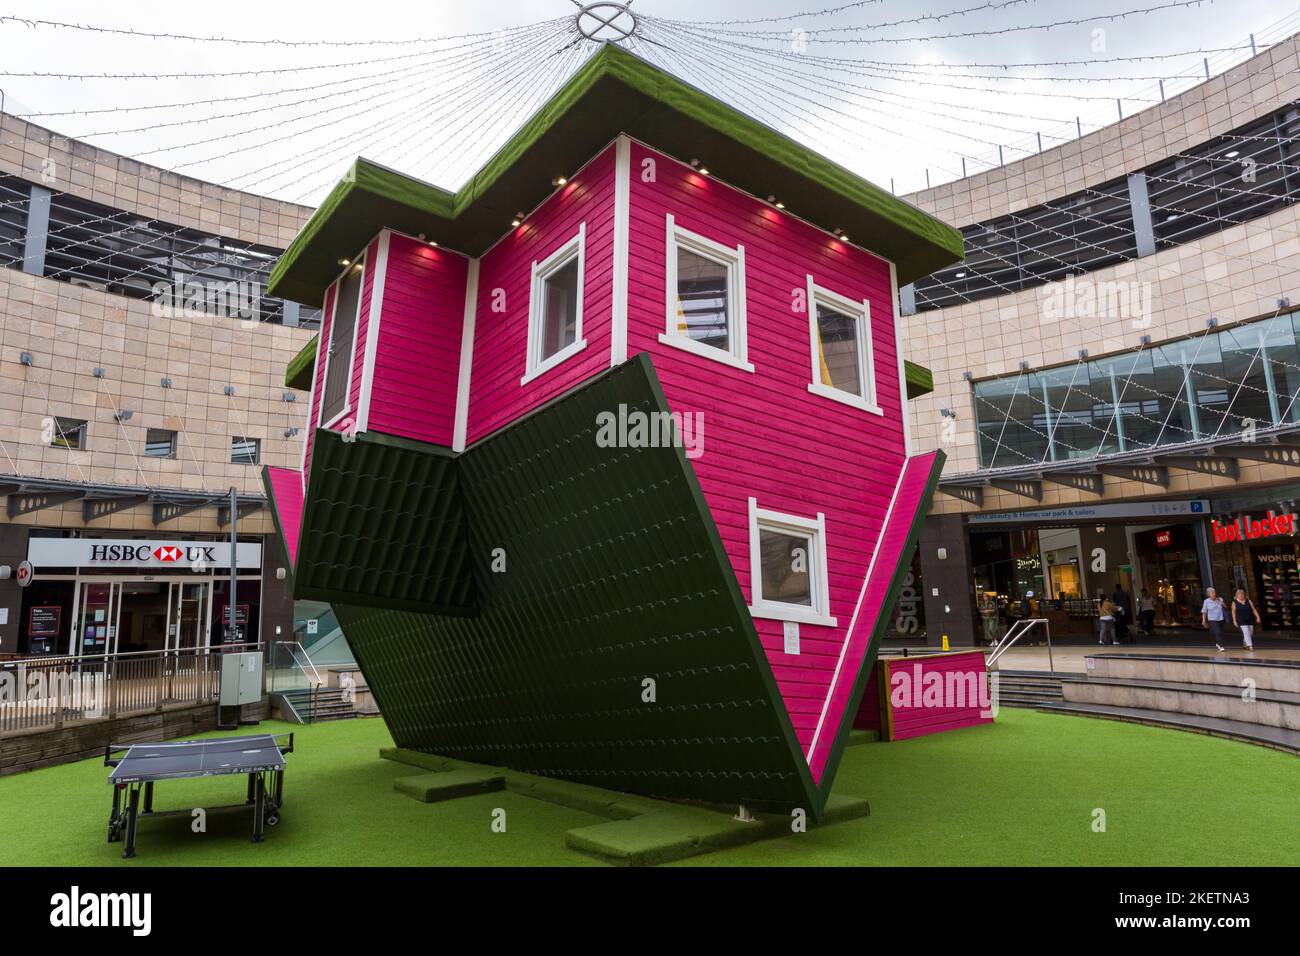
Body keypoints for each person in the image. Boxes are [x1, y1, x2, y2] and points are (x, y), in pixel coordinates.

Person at [1201, 587, 1227, 653]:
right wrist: (1203, 620)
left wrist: (1221, 602)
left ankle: (1218, 644)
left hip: (1220, 618)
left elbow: (1225, 607)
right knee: (1218, 632)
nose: (1214, 594)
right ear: (1208, 594)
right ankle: (1221, 646)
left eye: (1214, 592)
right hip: (1212, 619)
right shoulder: (1206, 601)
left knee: (1221, 632)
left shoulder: (1220, 599)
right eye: (1212, 593)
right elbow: (1204, 611)